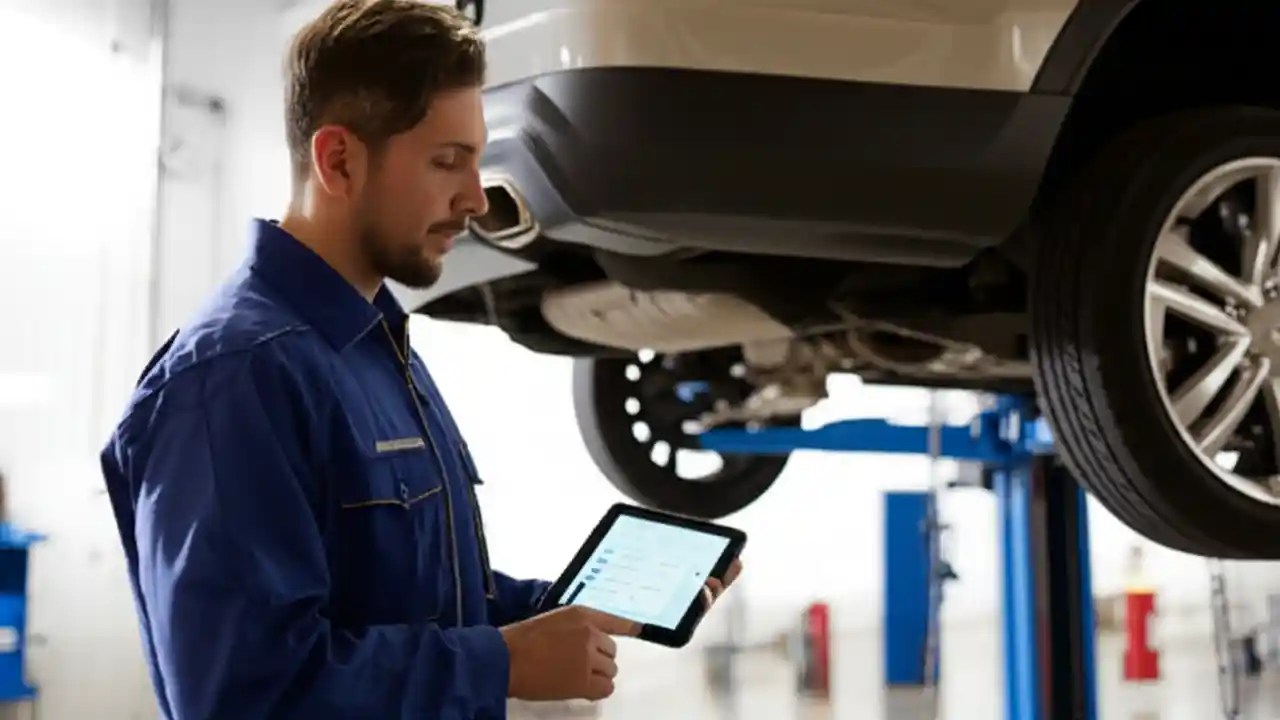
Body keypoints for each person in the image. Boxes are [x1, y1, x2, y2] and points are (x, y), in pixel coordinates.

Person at [98, 2, 741, 718]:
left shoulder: (375, 350)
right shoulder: (235, 378)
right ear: (338, 160)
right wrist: (503, 662)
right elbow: (242, 693)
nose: (474, 199)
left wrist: (571, 608)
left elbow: (424, 600)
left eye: (477, 160)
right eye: (447, 162)